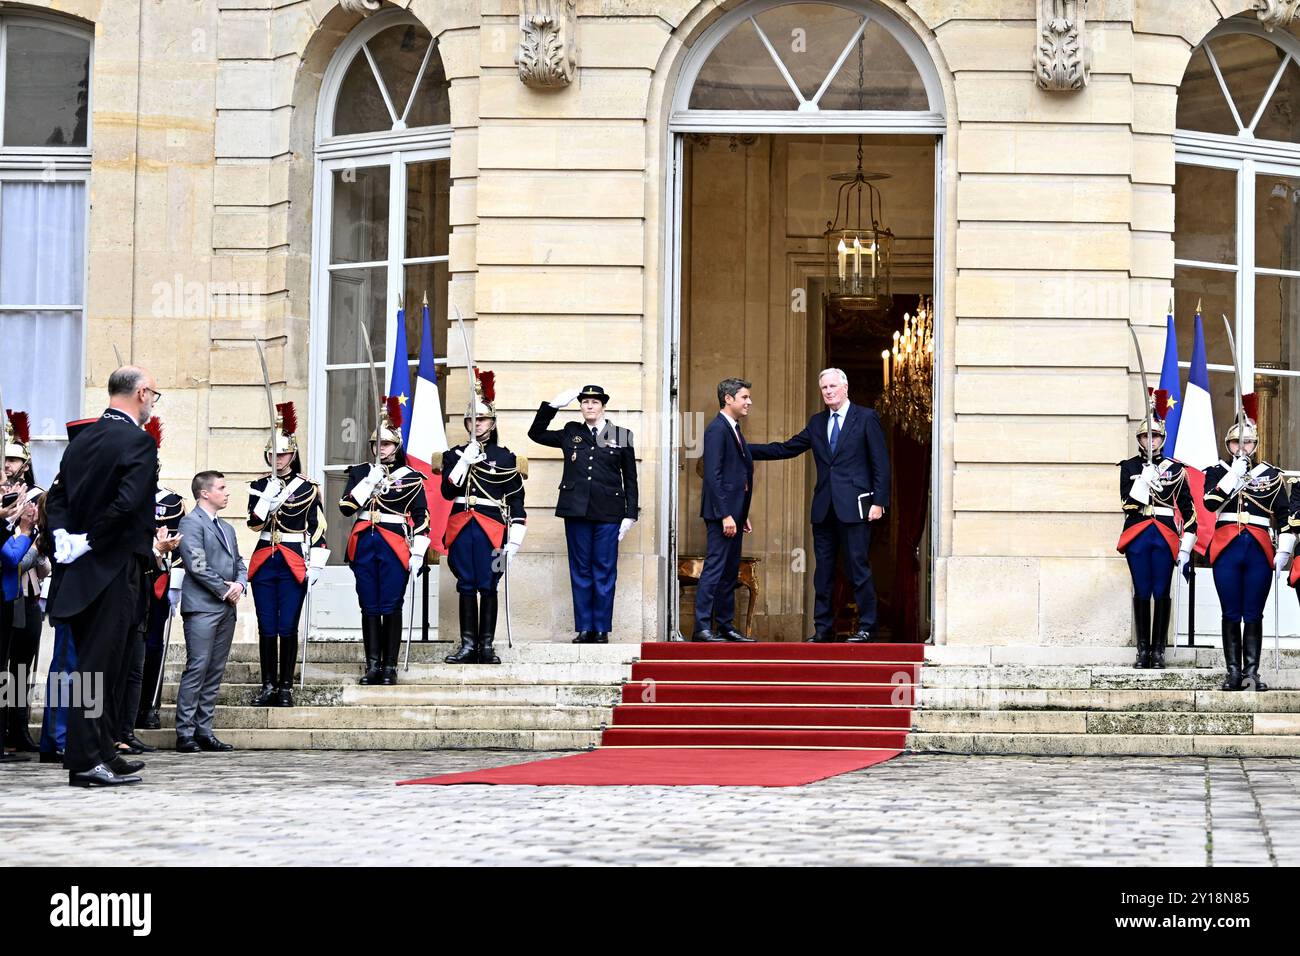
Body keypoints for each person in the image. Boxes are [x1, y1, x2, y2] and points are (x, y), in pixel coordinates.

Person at [44, 366, 174, 787]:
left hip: (81, 569)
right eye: (153, 393)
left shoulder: (82, 440)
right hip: (113, 568)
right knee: (99, 668)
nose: (153, 401)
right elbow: (129, 503)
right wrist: (91, 540)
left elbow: (57, 495)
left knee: (102, 665)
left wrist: (64, 536)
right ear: (139, 393)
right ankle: (86, 762)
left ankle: (102, 751)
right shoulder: (137, 441)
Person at [748, 368, 891, 643]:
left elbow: (881, 464)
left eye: (833, 386)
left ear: (845, 387)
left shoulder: (866, 418)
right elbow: (786, 448)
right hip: (824, 509)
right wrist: (744, 447)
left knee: (858, 569)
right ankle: (823, 630)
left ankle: (867, 628)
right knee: (822, 573)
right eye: (824, 387)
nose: (828, 391)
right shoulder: (816, 423)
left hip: (857, 508)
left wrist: (879, 502)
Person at [528, 384, 637, 644]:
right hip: (576, 511)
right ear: (580, 406)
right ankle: (585, 627)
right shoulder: (571, 432)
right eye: (585, 401)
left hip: (609, 512)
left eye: (595, 402)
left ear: (603, 406)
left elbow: (630, 478)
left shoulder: (620, 435)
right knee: (580, 569)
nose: (589, 406)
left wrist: (630, 514)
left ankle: (601, 628)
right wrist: (552, 406)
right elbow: (536, 434)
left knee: (604, 569)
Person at [339, 395, 429, 684]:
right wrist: (368, 482)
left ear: (397, 446)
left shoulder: (412, 477)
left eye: (387, 444)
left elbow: (422, 517)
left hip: (394, 545)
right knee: (368, 604)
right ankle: (372, 665)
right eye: (377, 444)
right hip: (364, 542)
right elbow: (346, 508)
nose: (382, 448)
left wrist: (418, 552)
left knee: (391, 604)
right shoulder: (360, 473)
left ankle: (389, 666)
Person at [441, 369, 528, 664]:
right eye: (472, 420)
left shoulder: (506, 457)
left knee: (490, 583)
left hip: (495, 531)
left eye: (482, 419)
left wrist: (514, 542)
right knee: (465, 583)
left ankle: (487, 646)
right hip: (462, 528)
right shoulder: (453, 455)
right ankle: (468, 645)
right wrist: (465, 460)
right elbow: (447, 492)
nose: (476, 425)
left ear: (492, 422)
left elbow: (516, 500)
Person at [1204, 396, 1287, 693]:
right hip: (1227, 546)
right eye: (1237, 443)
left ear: (1255, 445)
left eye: (1248, 443)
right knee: (1230, 612)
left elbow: (1283, 516)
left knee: (1253, 612)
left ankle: (1252, 672)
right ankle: (1233, 672)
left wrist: (1285, 550)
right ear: (1229, 446)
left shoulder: (1272, 475)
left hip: (1259, 548)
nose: (1243, 448)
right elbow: (1210, 503)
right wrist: (1233, 475)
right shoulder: (1216, 471)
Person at [247, 402, 327, 707]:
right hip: (265, 559)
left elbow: (318, 528)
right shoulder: (258, 485)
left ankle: (285, 687)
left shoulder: (308, 488)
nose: (277, 460)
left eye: (282, 454)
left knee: (287, 625)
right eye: (273, 455)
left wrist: (317, 563)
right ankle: (267, 685)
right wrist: (265, 498)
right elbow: (254, 524)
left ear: (292, 455)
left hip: (293, 558)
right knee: (266, 624)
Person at [1116, 390, 1197, 670]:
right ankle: (1142, 650)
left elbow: (1189, 512)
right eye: (1145, 437)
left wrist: (1186, 546)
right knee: (1142, 590)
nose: (1151, 441)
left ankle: (1159, 650)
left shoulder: (1176, 470)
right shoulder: (1129, 467)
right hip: (1138, 531)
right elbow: (1126, 503)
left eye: (1156, 437)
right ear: (1139, 440)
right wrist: (1142, 482)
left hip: (1164, 533)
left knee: (1161, 591)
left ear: (1163, 439)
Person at [174, 471, 245, 753]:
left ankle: (204, 730)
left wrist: (240, 583)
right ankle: (185, 732)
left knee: (215, 670)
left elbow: (239, 561)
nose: (227, 492)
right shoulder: (191, 523)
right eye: (222, 488)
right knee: (197, 668)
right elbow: (196, 563)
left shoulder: (227, 527)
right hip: (203, 607)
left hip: (226, 607)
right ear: (205, 493)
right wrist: (224, 589)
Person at [692, 377, 758, 643]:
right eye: (744, 397)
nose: (749, 402)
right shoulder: (717, 429)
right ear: (728, 399)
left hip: (734, 513)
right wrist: (725, 514)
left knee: (730, 570)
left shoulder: (734, 428)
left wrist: (741, 513)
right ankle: (702, 628)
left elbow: (735, 475)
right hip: (722, 514)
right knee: (715, 568)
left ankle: (725, 626)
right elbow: (712, 475)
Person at [1, 410, 47, 756]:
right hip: (6, 583)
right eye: (5, 460)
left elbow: (42, 542)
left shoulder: (36, 495)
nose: (8, 466)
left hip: (27, 589)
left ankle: (18, 726)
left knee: (21, 666)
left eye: (14, 460)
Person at [135, 417, 185, 731]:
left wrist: (176, 583)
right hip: (128, 577)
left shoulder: (170, 501)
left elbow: (180, 544)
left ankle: (147, 705)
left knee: (153, 644)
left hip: (156, 580)